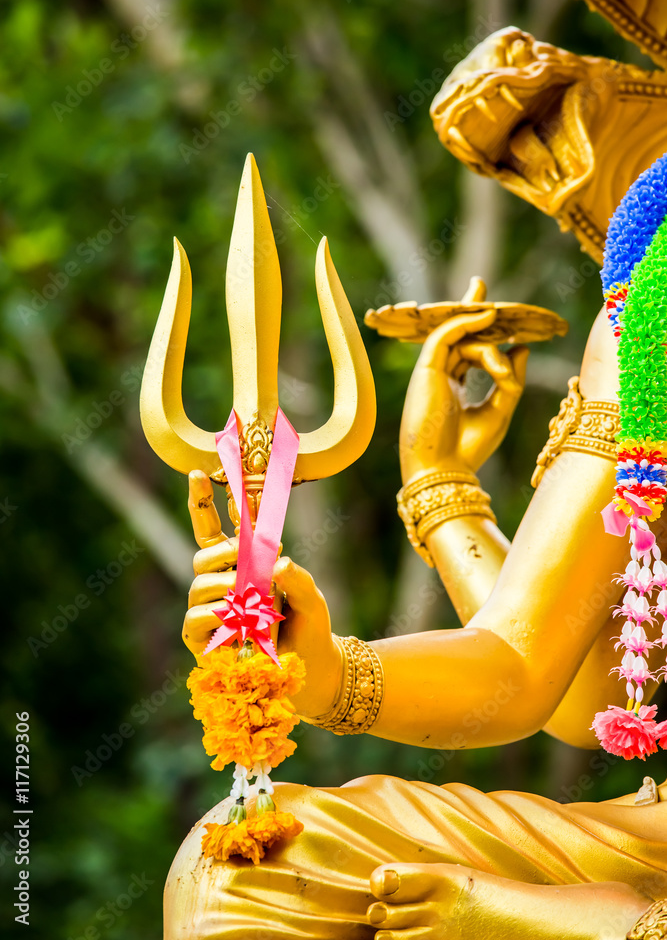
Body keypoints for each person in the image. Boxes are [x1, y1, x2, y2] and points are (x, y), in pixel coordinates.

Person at [165, 283, 667, 940]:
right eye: (500, 169)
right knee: (246, 874)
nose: (540, 180)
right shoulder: (649, 299)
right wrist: (436, 482)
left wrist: (598, 926)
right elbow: (553, 685)